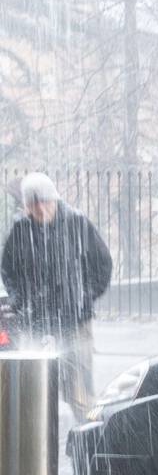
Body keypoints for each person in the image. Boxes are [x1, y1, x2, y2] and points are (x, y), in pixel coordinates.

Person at [1, 172, 113, 422]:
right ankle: (32, 447)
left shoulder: (77, 223)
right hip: (36, 321)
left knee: (80, 391)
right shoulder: (21, 229)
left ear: (54, 199)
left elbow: (103, 264)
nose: (40, 208)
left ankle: (91, 440)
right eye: (33, 203)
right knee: (33, 389)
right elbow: (7, 269)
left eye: (44, 201)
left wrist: (84, 297)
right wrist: (20, 300)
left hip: (74, 322)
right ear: (26, 205)